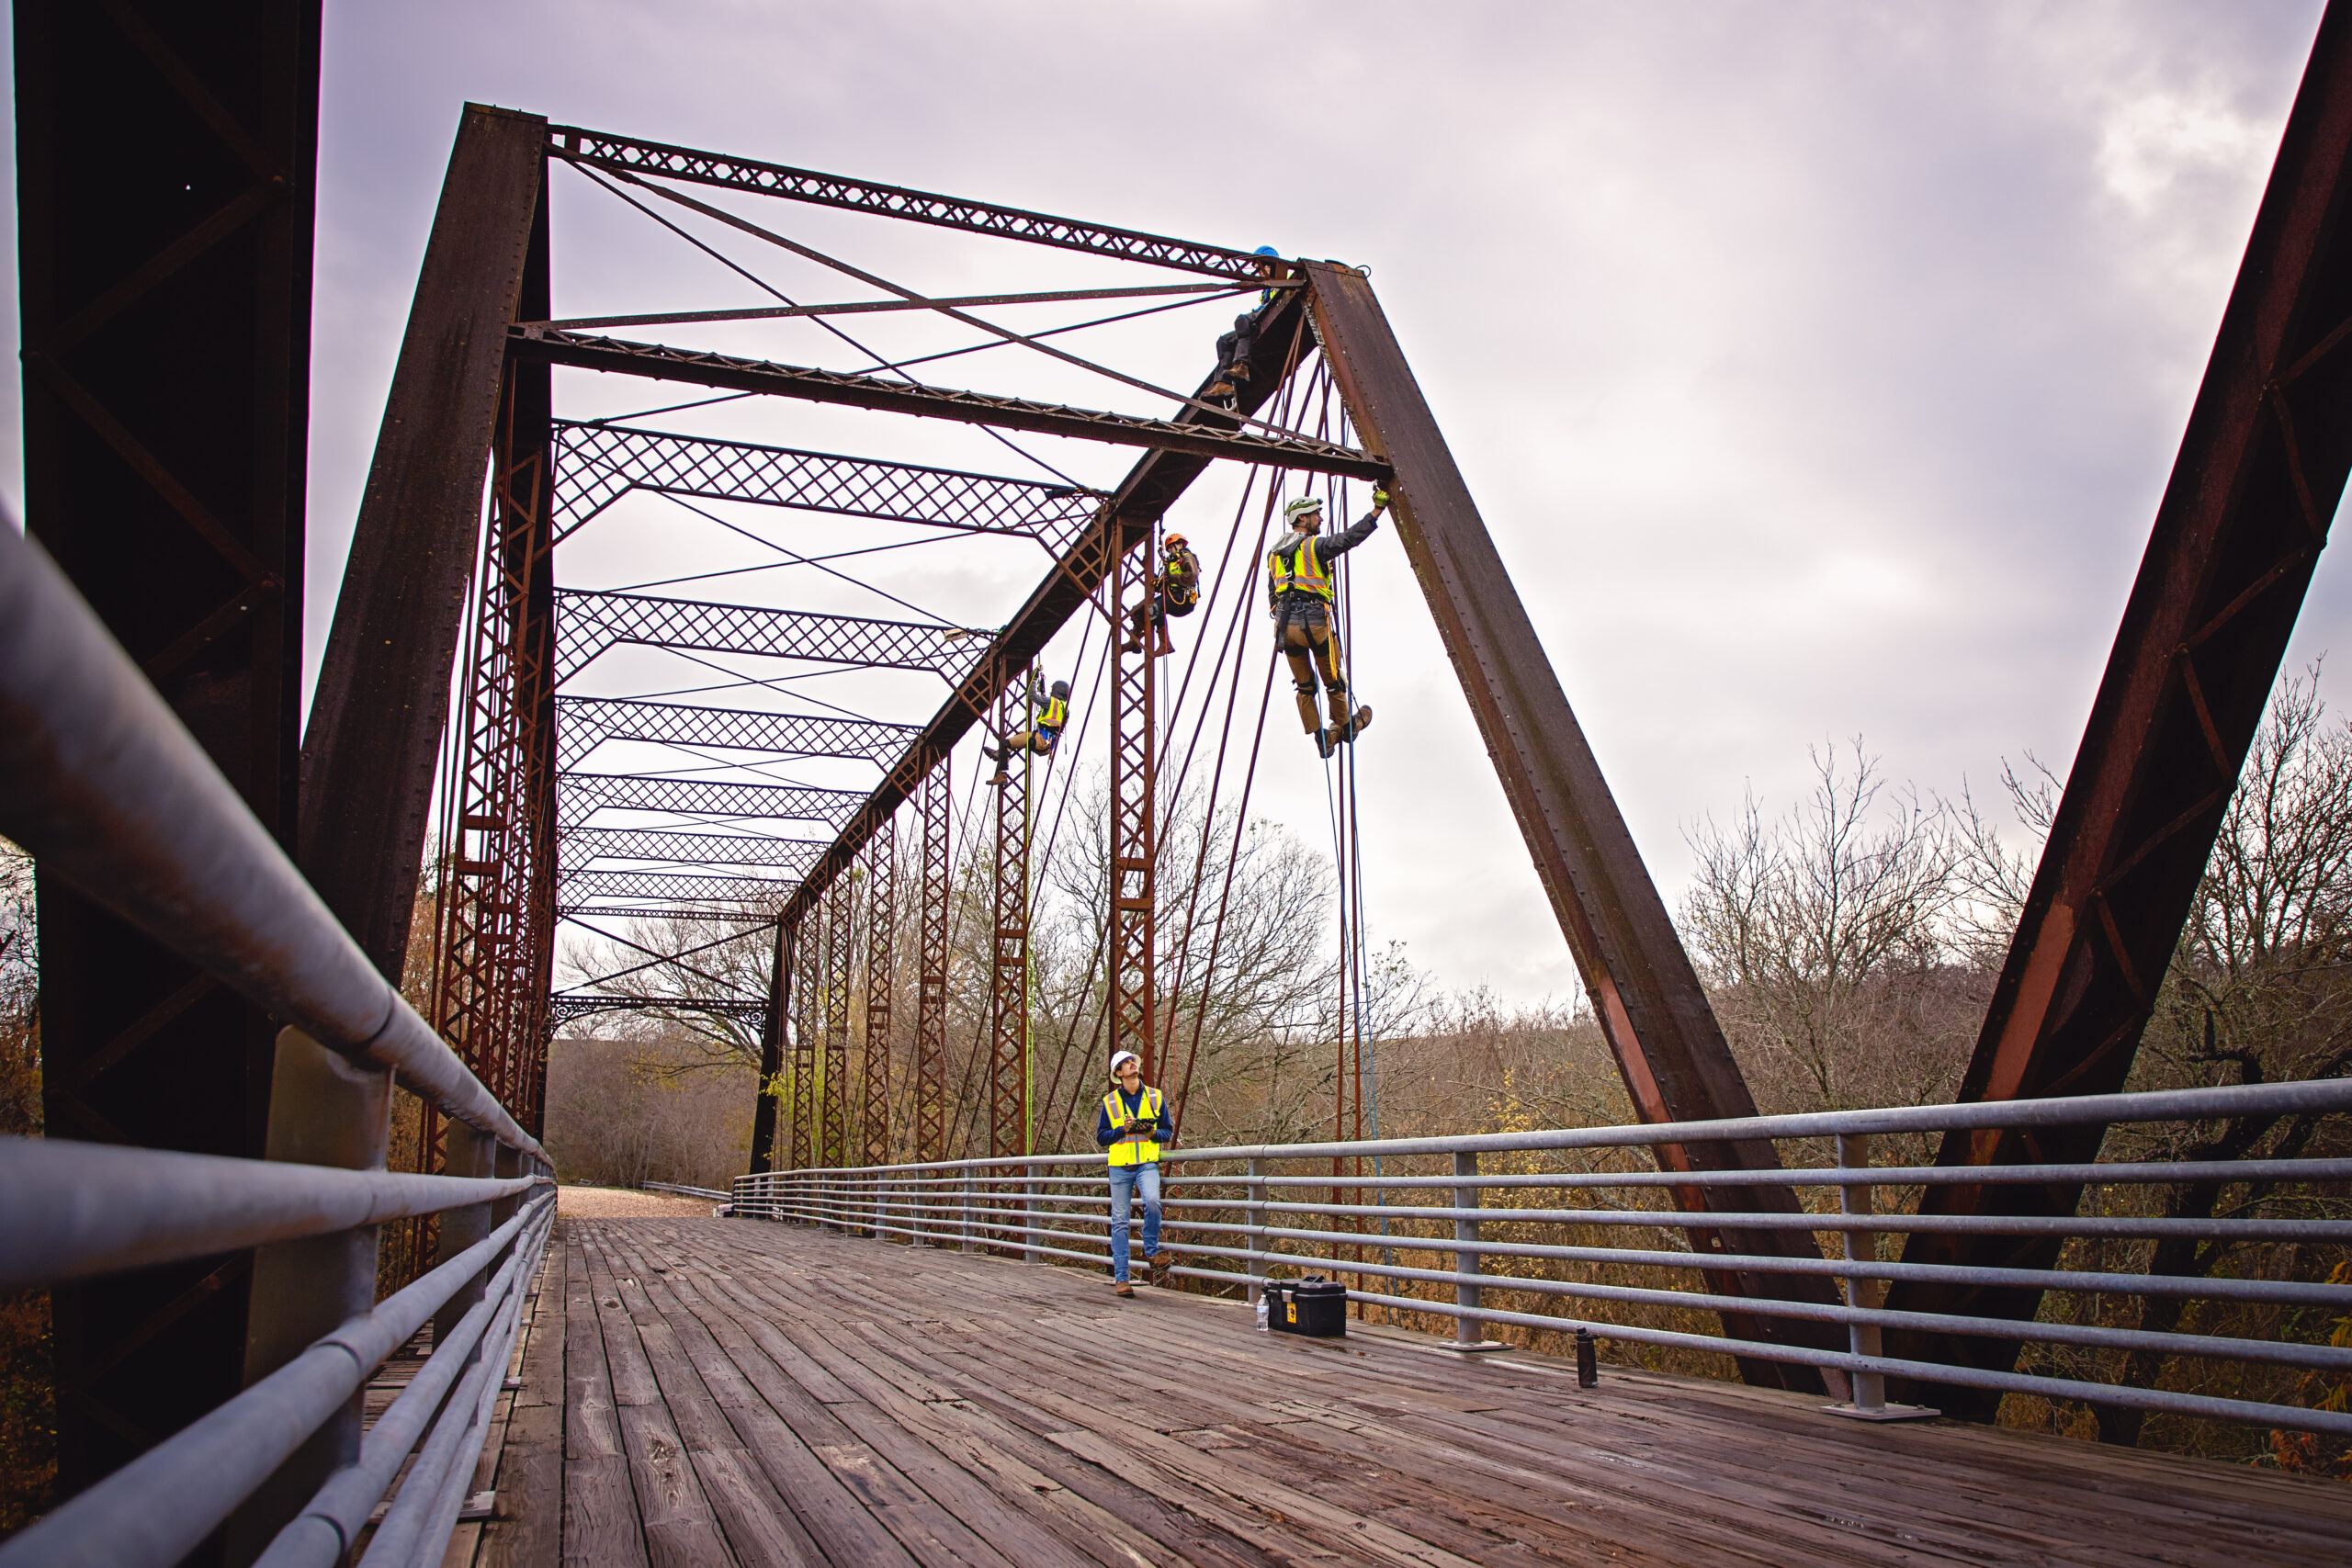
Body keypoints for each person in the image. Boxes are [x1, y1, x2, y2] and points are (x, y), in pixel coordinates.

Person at [1267, 489, 1390, 757]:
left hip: (1285, 628)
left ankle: (1320, 734)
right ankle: (1346, 726)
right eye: (1315, 515)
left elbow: (1272, 593)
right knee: (1333, 681)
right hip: (1314, 622)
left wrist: (1279, 613)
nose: (1320, 519)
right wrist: (1376, 512)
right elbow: (1348, 540)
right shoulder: (1314, 546)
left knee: (1305, 685)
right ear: (1302, 519)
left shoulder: (1274, 554)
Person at [1096, 1049, 1172, 1297]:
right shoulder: (1109, 1102)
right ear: (1118, 1073)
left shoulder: (1155, 1096)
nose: (1131, 1065)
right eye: (1126, 1063)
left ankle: (1151, 1249)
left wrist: (1152, 1134)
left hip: (1147, 1162)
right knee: (1119, 1222)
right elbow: (1102, 1137)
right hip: (1119, 1166)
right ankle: (1122, 1279)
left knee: (1152, 1201)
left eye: (1132, 1061)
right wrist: (1121, 1130)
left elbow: (1167, 1132)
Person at [981, 671, 1069, 786]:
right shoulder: (1064, 709)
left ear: (1057, 690)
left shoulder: (1051, 702)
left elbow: (1032, 696)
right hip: (1047, 746)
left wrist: (1034, 679)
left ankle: (1002, 775)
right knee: (1019, 736)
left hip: (1040, 740)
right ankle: (999, 754)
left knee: (1006, 743)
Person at [1123, 533, 1202, 658]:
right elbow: (1161, 586)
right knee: (1139, 610)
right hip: (1173, 596)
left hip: (1183, 598)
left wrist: (1171, 578)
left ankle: (1165, 644)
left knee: (1154, 607)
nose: (1169, 551)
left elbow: (1191, 576)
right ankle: (1134, 642)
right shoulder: (1171, 564)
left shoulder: (1187, 557)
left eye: (1171, 547)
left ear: (1179, 545)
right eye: (1168, 548)